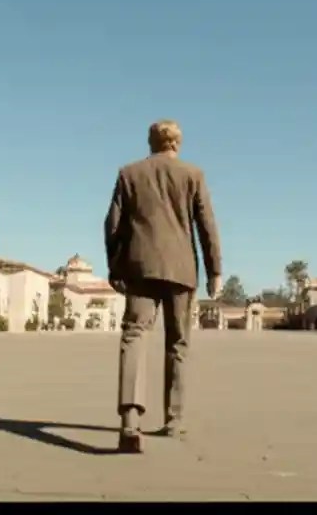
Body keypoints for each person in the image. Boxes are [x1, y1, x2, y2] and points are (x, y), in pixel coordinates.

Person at [104, 119, 222, 454]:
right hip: (181, 270)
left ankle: (130, 419)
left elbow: (113, 225)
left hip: (140, 267)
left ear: (150, 142)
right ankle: (173, 419)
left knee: (134, 336)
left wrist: (116, 266)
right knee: (178, 343)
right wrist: (214, 270)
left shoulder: (129, 174)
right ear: (177, 143)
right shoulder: (193, 174)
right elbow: (207, 225)